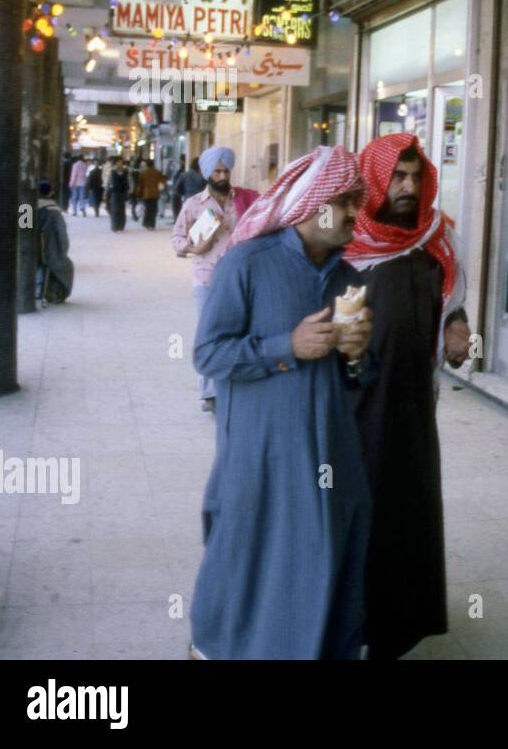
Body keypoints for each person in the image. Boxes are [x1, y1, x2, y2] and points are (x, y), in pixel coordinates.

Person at [189, 145, 375, 660]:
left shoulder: (349, 279)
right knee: (249, 553)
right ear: (312, 203)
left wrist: (358, 356)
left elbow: (360, 375)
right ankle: (222, 645)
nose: (355, 214)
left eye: (357, 202)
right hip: (262, 451)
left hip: (331, 455)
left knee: (325, 554)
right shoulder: (247, 263)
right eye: (345, 202)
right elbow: (207, 354)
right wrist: (284, 347)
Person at [345, 134, 471, 659]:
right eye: (397, 176)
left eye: (416, 177)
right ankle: (347, 625)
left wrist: (458, 329)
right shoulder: (346, 242)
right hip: (352, 409)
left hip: (413, 408)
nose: (408, 186)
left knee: (407, 510)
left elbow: (453, 301)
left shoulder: (437, 238)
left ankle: (398, 628)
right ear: (375, 179)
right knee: (355, 514)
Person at [172, 146, 260, 414]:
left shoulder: (245, 200)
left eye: (226, 171)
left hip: (239, 276)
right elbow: (176, 240)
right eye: (217, 171)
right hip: (206, 277)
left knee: (236, 331)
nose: (222, 175)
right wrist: (191, 247)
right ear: (208, 173)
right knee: (209, 332)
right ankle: (209, 392)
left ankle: (232, 386)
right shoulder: (193, 205)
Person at [35, 180, 73, 304]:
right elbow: (62, 236)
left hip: (31, 252)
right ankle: (52, 293)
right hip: (50, 251)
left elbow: (24, 230)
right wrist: (63, 251)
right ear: (50, 193)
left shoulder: (27, 208)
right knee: (66, 266)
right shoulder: (54, 211)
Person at [136, 158, 165, 230]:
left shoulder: (143, 173)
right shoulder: (157, 172)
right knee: (153, 209)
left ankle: (146, 223)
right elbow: (162, 182)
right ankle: (152, 224)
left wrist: (138, 194)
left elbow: (140, 185)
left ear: (146, 165)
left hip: (146, 194)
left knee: (147, 209)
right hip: (155, 193)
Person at [105, 157, 130, 232]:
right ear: (116, 163)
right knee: (115, 209)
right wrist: (106, 193)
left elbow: (129, 181)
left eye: (121, 162)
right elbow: (108, 182)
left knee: (122, 209)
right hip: (114, 192)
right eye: (118, 162)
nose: (120, 164)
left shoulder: (126, 171)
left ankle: (121, 225)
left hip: (123, 192)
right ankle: (115, 226)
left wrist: (130, 189)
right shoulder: (112, 171)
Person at [168, 156, 189, 220]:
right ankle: (177, 218)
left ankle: (177, 219)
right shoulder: (183, 168)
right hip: (179, 189)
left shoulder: (184, 168)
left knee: (176, 204)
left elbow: (179, 179)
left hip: (180, 190)